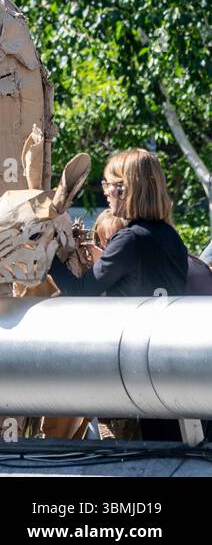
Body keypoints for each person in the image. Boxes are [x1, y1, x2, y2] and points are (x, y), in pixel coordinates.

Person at [51, 149, 188, 442]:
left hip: (137, 369)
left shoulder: (129, 239)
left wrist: (46, 255)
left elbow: (81, 291)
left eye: (108, 185)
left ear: (125, 189)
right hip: (171, 367)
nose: (106, 194)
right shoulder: (170, 236)